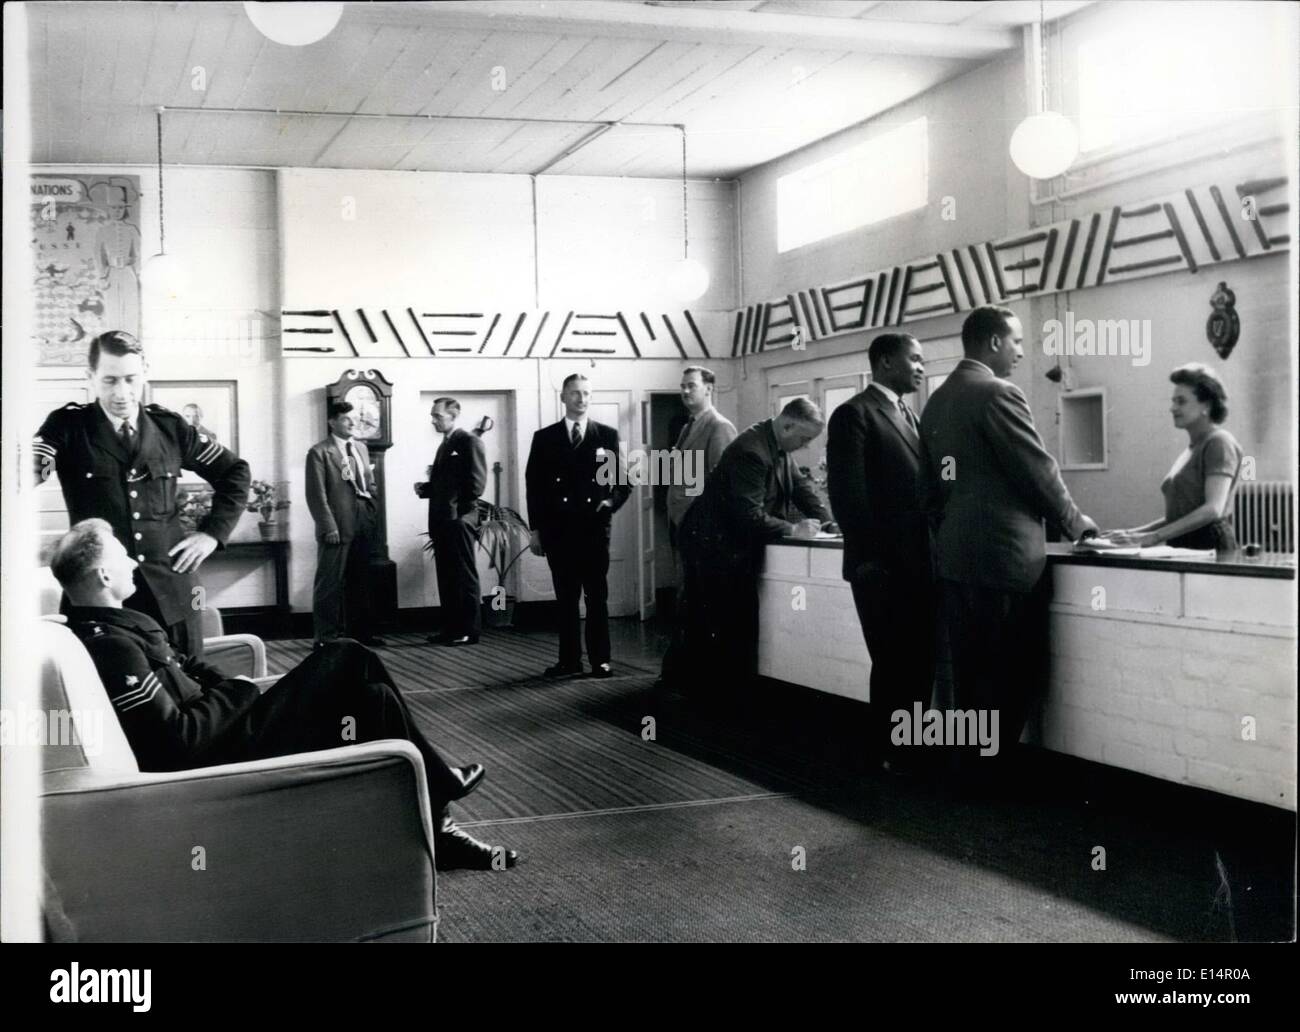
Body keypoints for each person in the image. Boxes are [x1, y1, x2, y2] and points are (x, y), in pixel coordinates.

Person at [51, 518, 517, 871]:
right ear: (102, 577)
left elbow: (189, 667)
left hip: (230, 732)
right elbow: (179, 742)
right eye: (121, 558)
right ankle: (442, 786)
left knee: (373, 697)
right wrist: (237, 690)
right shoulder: (110, 646)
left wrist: (225, 688)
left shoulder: (125, 625)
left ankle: (441, 828)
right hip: (218, 760)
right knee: (347, 654)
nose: (134, 562)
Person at [919, 306, 1097, 785]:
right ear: (993, 342)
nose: (1022, 351)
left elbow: (932, 488)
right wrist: (1076, 521)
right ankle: (993, 775)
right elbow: (1036, 468)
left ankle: (967, 771)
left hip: (956, 556)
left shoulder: (936, 402)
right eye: (1016, 341)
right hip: (1005, 558)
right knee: (1008, 669)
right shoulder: (998, 393)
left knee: (968, 671)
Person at [33, 330, 250, 658]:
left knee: (191, 688)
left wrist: (211, 534)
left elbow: (235, 472)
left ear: (144, 371)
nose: (122, 392)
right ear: (90, 377)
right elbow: (32, 466)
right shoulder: (67, 426)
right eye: (109, 381)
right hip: (102, 599)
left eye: (131, 379)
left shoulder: (170, 428)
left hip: (176, 594)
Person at [826, 333, 935, 772]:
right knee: (893, 660)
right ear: (886, 361)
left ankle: (909, 747)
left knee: (918, 658)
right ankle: (892, 754)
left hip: (917, 561)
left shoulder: (907, 413)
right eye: (915, 358)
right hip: (881, 566)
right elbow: (848, 495)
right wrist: (871, 560)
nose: (922, 367)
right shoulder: (854, 415)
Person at [678, 398, 832, 696]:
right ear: (787, 425)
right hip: (711, 545)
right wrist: (793, 529)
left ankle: (714, 690)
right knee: (718, 618)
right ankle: (708, 695)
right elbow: (746, 515)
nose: (804, 446)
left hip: (727, 544)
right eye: (803, 438)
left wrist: (828, 522)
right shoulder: (751, 451)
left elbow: (802, 490)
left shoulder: (777, 445)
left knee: (726, 618)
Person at [525, 373, 630, 678]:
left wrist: (610, 503)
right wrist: (536, 530)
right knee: (566, 600)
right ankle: (569, 661)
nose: (581, 399)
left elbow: (622, 483)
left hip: (594, 531)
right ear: (563, 397)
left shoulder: (606, 436)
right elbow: (535, 488)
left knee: (597, 598)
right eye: (575, 393)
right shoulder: (545, 438)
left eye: (586, 394)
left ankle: (601, 660)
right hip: (559, 532)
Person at [657, 365, 738, 690]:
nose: (685, 391)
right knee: (686, 599)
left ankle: (694, 676)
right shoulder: (688, 426)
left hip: (701, 531)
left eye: (692, 386)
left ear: (709, 389)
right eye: (683, 386)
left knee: (695, 601)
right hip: (684, 527)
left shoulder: (719, 427)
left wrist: (700, 525)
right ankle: (685, 672)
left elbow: (721, 486)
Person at [1106, 364, 1244, 551]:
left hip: (1209, 545)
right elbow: (1179, 517)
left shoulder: (1219, 442)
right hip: (1185, 543)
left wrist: (1152, 537)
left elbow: (1213, 509)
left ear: (1206, 405)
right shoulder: (1193, 448)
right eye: (1173, 401)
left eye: (1181, 401)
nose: (1172, 408)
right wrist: (1132, 534)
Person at [306, 400, 384, 647]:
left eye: (354, 419)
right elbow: (316, 495)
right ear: (332, 422)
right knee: (329, 581)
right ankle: (325, 637)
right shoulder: (319, 452)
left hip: (363, 518)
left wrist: (371, 501)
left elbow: (368, 481)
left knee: (361, 578)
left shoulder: (360, 447)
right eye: (346, 419)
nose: (353, 422)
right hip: (337, 523)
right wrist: (328, 526)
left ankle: (361, 633)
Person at [416, 397, 487, 646]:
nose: (434, 420)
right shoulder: (444, 445)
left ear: (454, 415)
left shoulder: (469, 441)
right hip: (442, 521)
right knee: (446, 576)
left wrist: (458, 514)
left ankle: (468, 630)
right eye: (433, 416)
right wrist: (427, 488)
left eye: (438, 416)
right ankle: (451, 629)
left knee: (464, 575)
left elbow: (476, 484)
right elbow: (448, 483)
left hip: (459, 520)